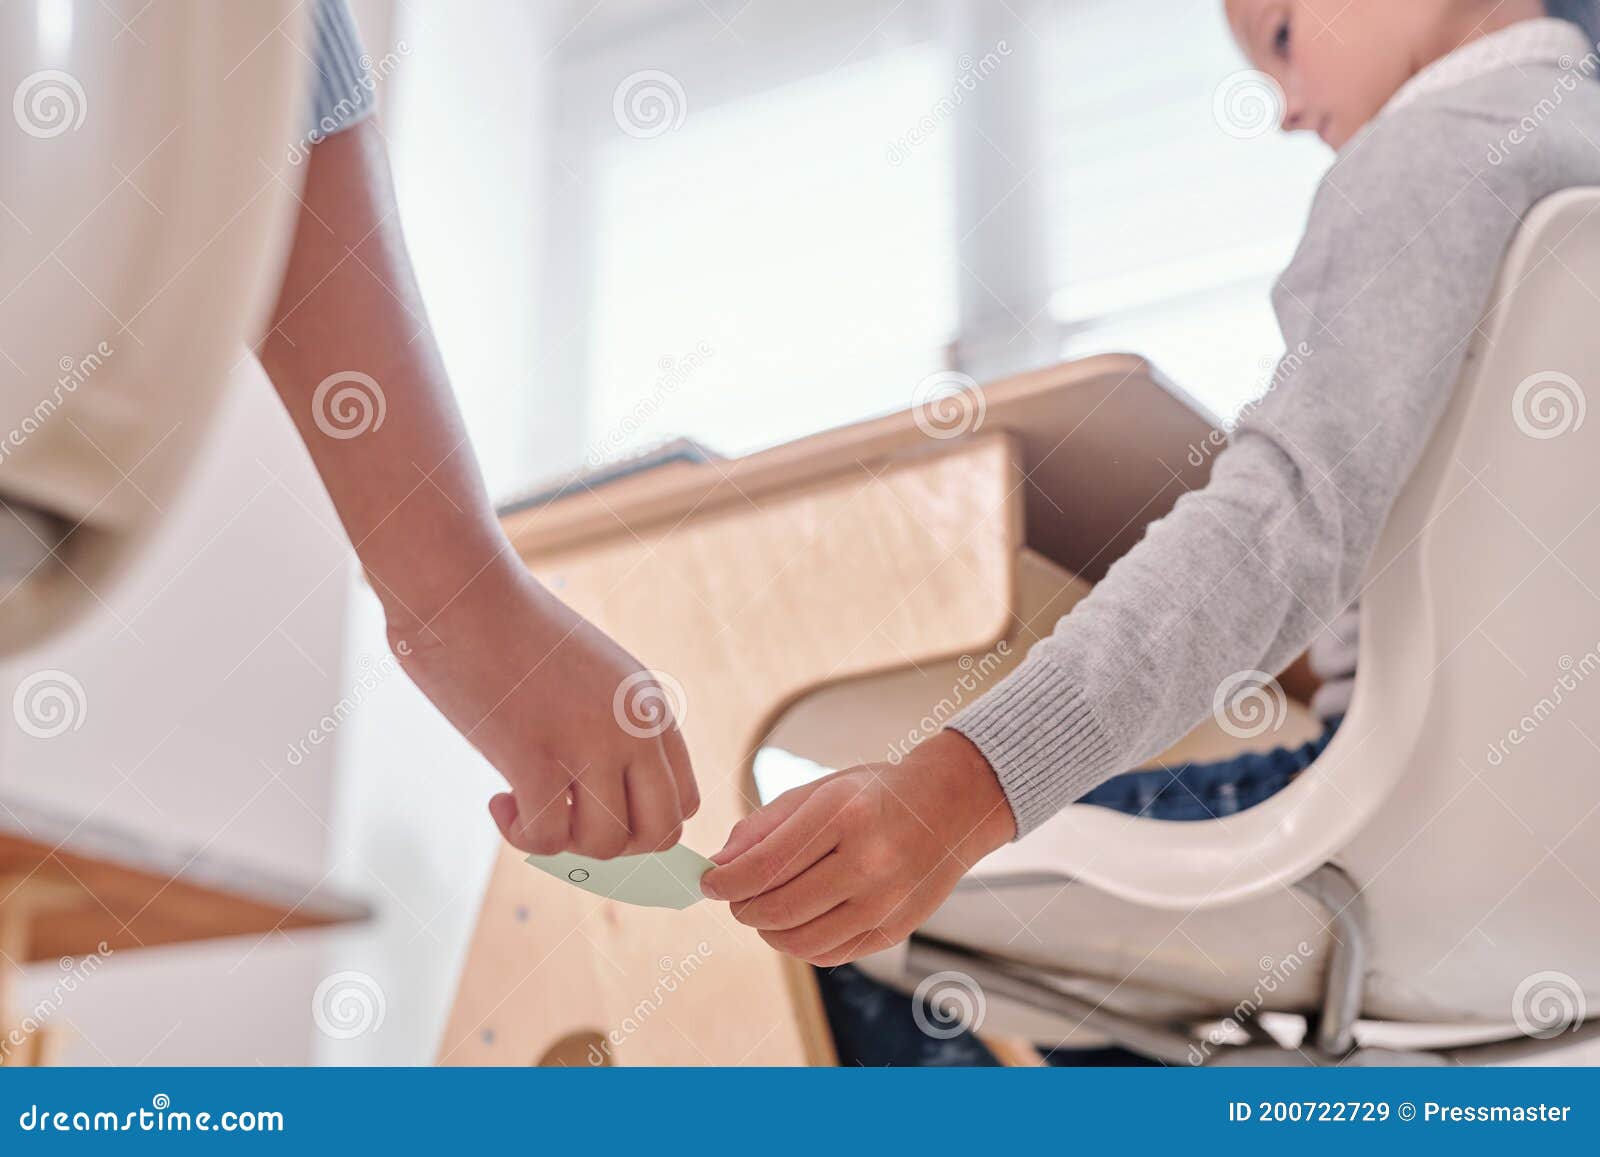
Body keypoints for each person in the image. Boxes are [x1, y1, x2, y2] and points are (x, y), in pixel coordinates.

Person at [700, 0, 1600, 1060]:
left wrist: (962, 787)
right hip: (1555, 873)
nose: (1287, 109)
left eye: (1278, 38)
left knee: (860, 920)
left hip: (1398, 843)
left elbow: (1283, 521)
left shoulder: (1430, 154)